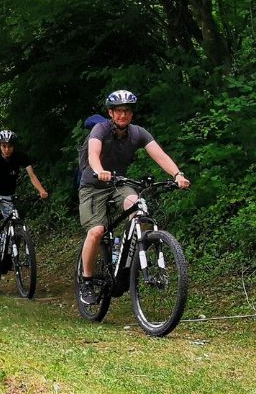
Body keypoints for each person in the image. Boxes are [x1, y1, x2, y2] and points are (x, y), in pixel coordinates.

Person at [78, 90, 190, 292]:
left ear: (132, 113)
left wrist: (177, 174)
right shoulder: (100, 130)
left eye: (127, 111)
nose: (123, 115)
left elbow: (160, 155)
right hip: (93, 186)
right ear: (111, 113)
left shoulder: (138, 132)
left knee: (138, 208)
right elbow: (93, 154)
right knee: (96, 231)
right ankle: (86, 280)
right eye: (118, 111)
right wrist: (99, 170)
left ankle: (129, 255)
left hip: (118, 183)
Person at [0, 130, 49, 263]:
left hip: (8, 195)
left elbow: (32, 176)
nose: (7, 149)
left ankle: (10, 250)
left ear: (14, 146)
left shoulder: (20, 157)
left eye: (10, 146)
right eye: (4, 146)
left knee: (14, 222)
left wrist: (41, 190)